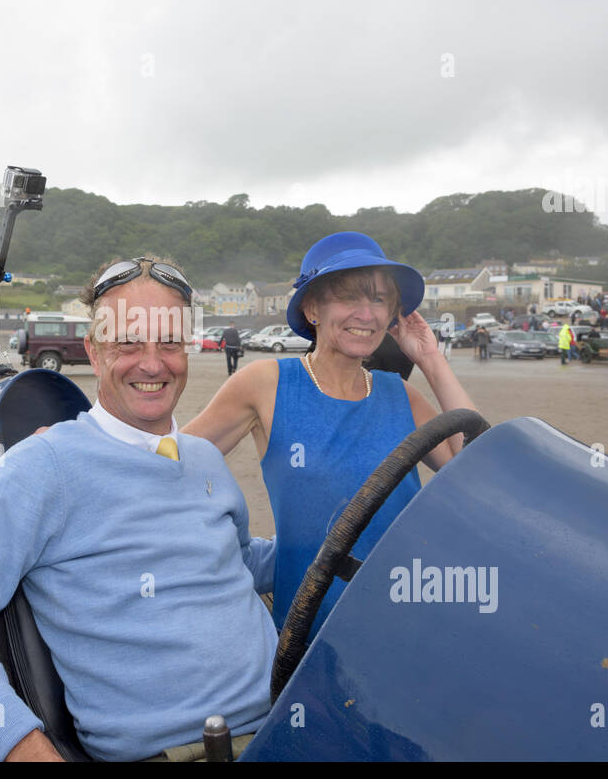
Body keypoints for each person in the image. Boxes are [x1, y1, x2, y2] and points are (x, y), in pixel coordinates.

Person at [0, 256, 275, 762]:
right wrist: (18, 745)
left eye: (167, 342)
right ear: (94, 354)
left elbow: (240, 561)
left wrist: (336, 547)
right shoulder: (44, 465)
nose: (152, 363)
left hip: (292, 721)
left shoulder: (204, 457)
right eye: (128, 343)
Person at [182, 232, 477, 637]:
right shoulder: (267, 384)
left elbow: (480, 467)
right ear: (312, 308)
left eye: (379, 300)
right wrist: (243, 556)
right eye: (348, 297)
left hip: (408, 619)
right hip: (311, 630)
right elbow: (172, 465)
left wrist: (430, 359)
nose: (367, 314)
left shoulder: (400, 394)